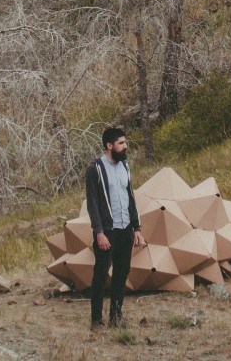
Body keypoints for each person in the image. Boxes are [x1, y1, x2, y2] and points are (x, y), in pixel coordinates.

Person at [85, 127, 145, 330]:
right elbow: (92, 204)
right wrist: (99, 232)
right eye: (121, 143)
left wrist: (137, 227)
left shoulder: (125, 167)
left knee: (121, 273)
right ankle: (96, 320)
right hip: (107, 230)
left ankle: (116, 316)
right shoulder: (96, 169)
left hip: (126, 228)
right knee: (101, 275)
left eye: (125, 142)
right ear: (109, 145)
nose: (125, 146)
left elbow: (130, 198)